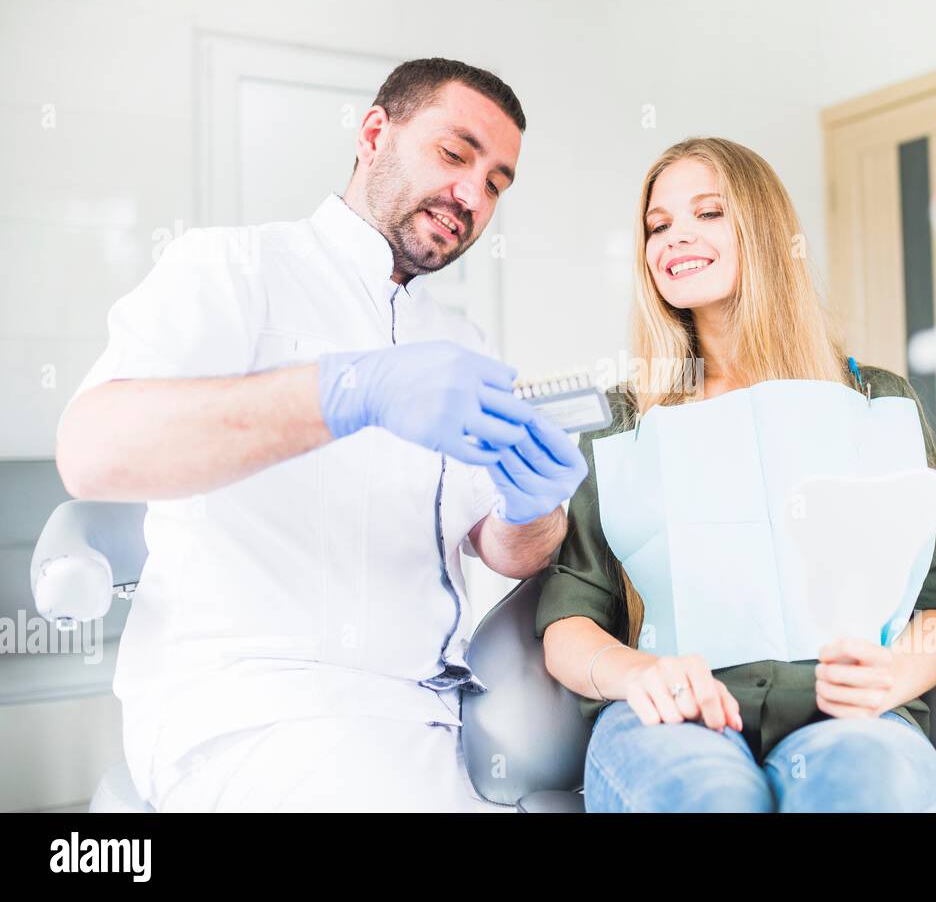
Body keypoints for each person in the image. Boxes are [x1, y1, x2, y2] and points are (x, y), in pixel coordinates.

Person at [55, 57, 587, 812]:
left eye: (497, 182)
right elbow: (92, 452)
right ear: (375, 132)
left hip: (434, 719)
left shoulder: (463, 345)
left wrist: (534, 505)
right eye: (455, 153)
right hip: (250, 711)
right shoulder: (232, 270)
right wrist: (349, 392)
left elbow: (500, 546)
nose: (473, 194)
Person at [536, 137, 936, 812]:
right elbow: (569, 618)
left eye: (708, 213)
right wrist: (642, 676)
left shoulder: (876, 402)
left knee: (862, 793)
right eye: (658, 225)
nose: (676, 237)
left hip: (848, 715)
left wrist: (888, 682)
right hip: (677, 714)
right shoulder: (620, 422)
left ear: (763, 231)